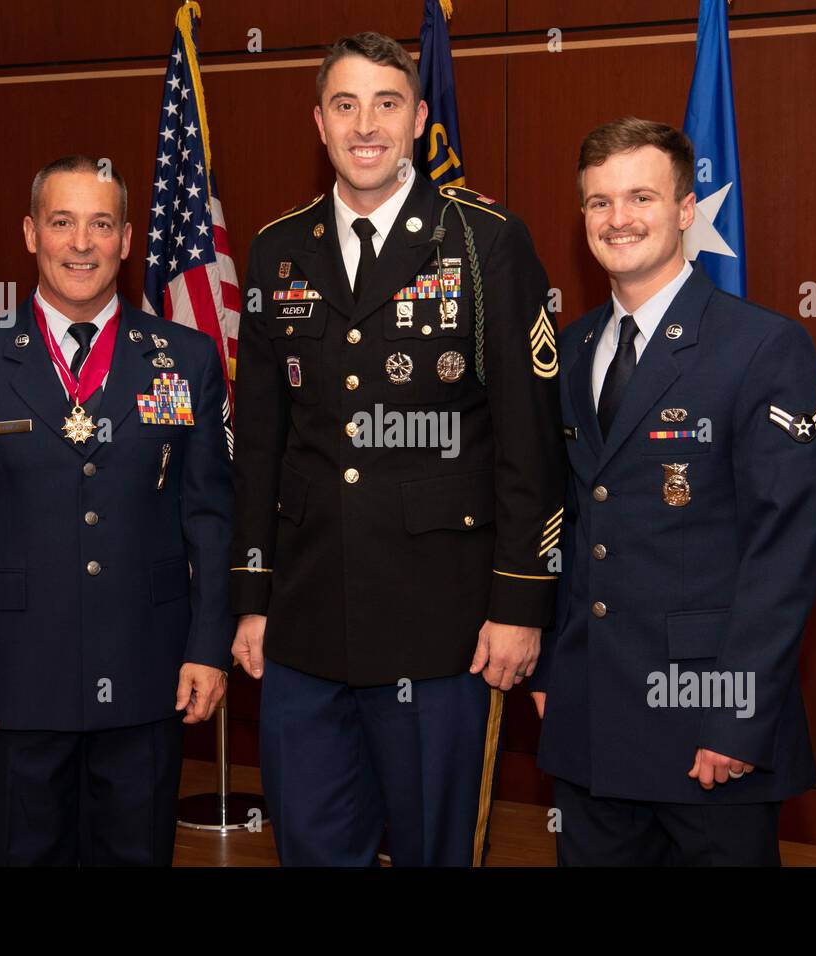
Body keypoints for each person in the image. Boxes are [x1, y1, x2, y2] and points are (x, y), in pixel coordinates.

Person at [229, 32, 565, 866]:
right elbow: (262, 441)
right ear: (319, 122)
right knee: (311, 847)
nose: (365, 124)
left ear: (418, 118)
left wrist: (521, 604)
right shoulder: (278, 249)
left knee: (436, 851)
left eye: (385, 103)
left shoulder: (485, 241)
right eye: (345, 105)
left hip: (442, 624)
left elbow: (530, 439)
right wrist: (251, 594)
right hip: (305, 623)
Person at [0, 155, 234, 866]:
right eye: (62, 223)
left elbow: (210, 518)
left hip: (150, 678)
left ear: (125, 239)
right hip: (13, 684)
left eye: (100, 224)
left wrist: (209, 648)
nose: (81, 243)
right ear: (31, 234)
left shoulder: (188, 359)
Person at [531, 118, 816, 866]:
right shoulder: (568, 351)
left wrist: (738, 715)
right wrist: (553, 671)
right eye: (598, 203)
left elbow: (784, 552)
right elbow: (567, 519)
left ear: (686, 208)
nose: (618, 219)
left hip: (704, 723)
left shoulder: (763, 347)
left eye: (640, 197)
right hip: (592, 718)